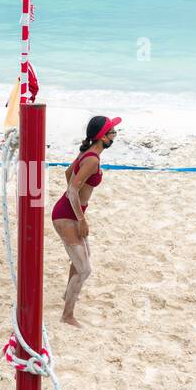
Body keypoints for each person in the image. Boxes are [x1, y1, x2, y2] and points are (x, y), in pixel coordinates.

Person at [51, 115, 120, 327]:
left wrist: (79, 207)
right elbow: (72, 190)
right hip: (67, 215)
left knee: (81, 260)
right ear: (102, 137)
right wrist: (80, 218)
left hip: (70, 211)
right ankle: (67, 315)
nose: (115, 136)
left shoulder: (87, 153)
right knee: (85, 269)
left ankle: (68, 296)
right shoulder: (92, 159)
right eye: (112, 133)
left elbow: (68, 173)